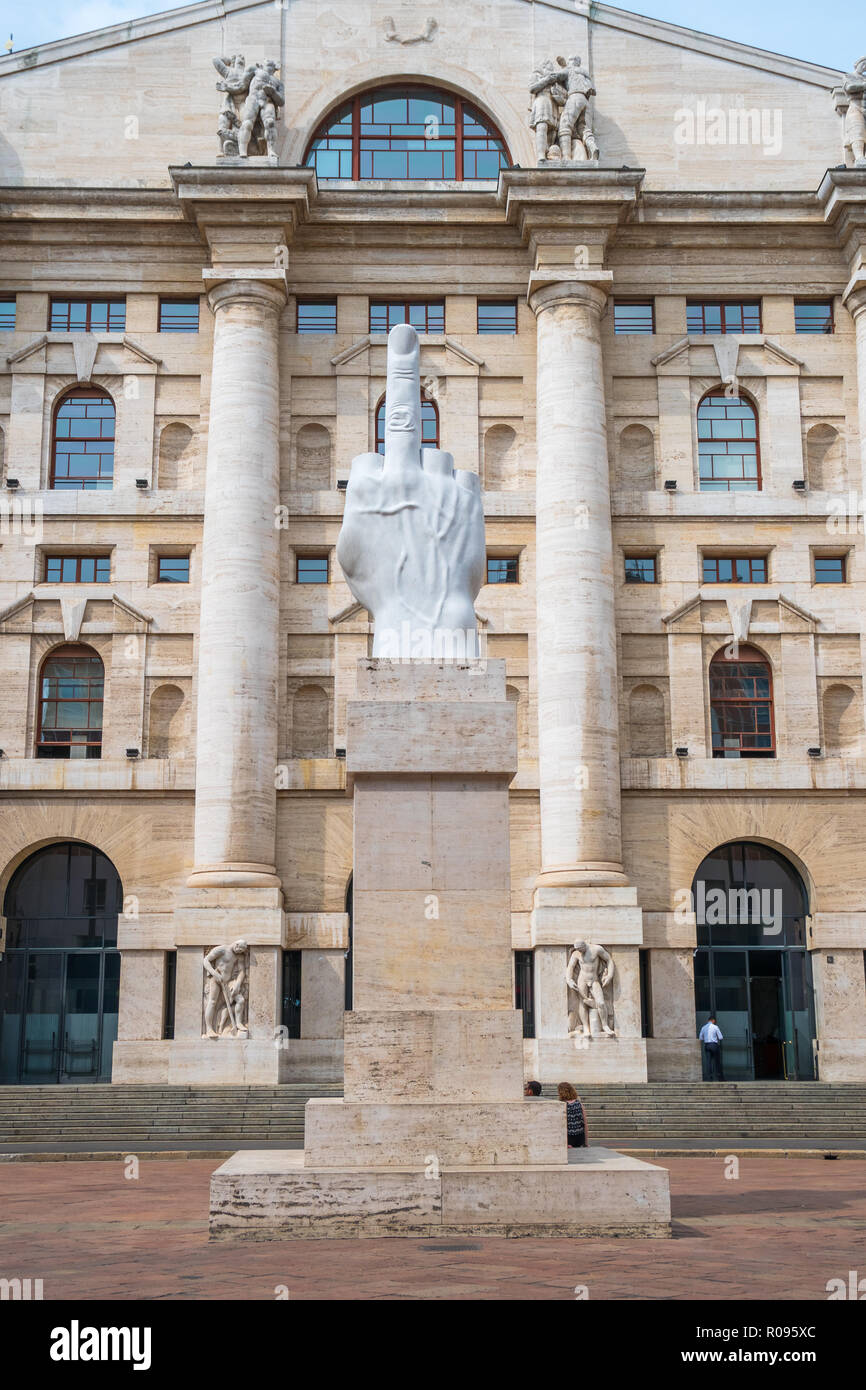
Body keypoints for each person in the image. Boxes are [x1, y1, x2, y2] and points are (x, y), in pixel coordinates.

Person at [557, 1081, 588, 1148]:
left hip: (568, 1138)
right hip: (580, 1137)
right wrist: (586, 1142)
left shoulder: (562, 1105)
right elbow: (585, 1124)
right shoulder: (579, 1104)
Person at [699, 1015, 725, 1080]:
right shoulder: (715, 1027)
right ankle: (719, 1077)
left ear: (708, 1020)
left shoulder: (703, 1027)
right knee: (717, 1061)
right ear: (713, 1020)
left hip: (707, 1045)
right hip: (714, 1045)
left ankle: (709, 1077)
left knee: (708, 1062)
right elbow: (721, 1037)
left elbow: (700, 1038)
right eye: (714, 1021)